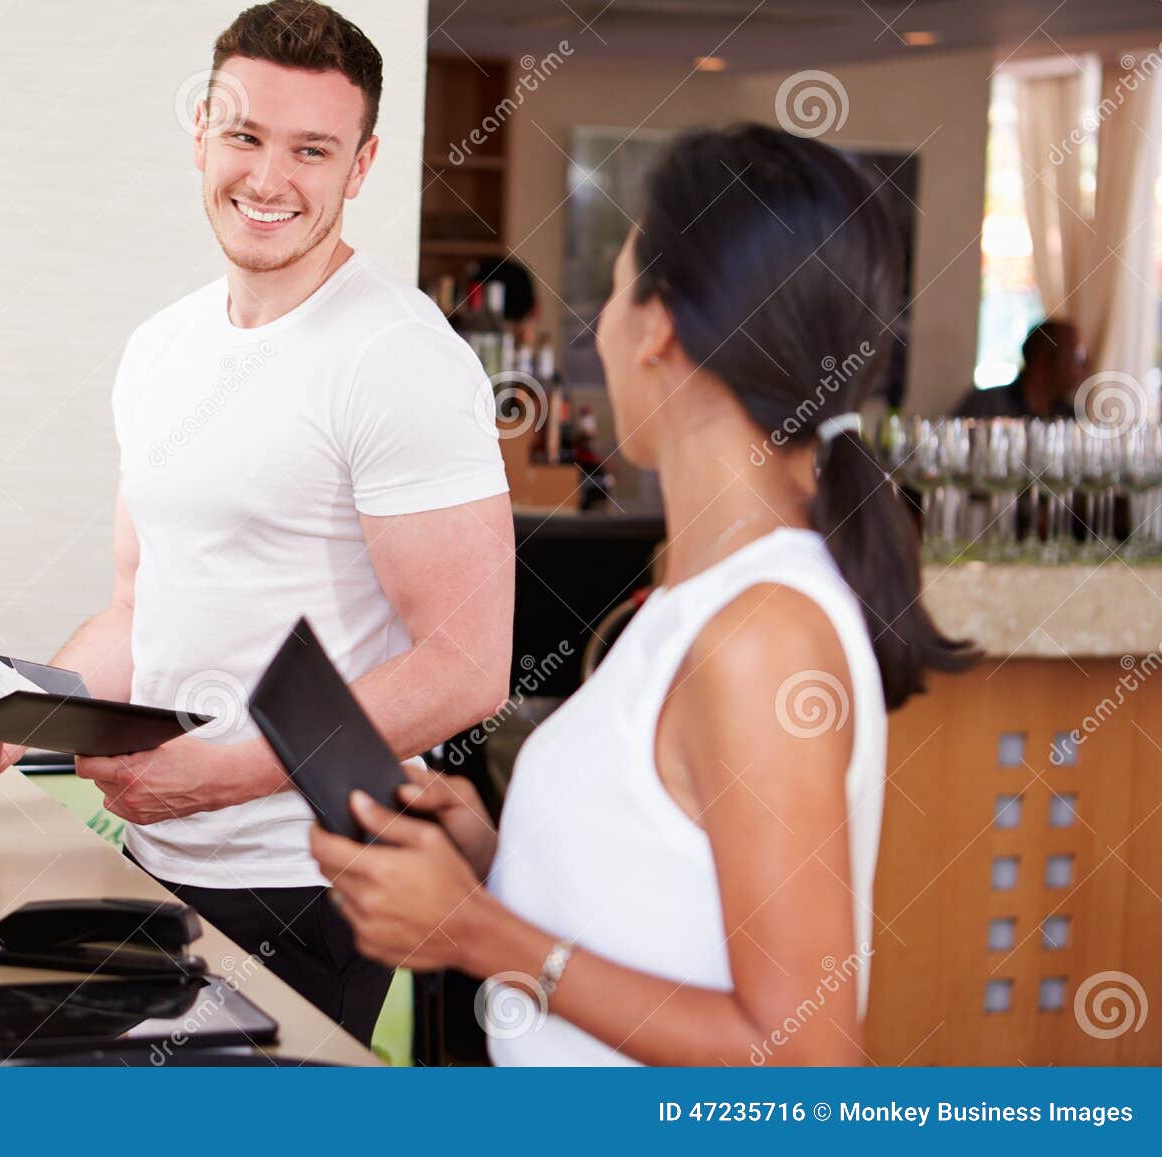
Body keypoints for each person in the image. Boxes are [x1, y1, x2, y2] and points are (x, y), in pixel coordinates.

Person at [0, 1, 515, 1044]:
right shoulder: (161, 348)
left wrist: (219, 775)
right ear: (201, 135)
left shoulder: (397, 359)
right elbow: (142, 608)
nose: (268, 180)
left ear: (360, 165)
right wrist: (23, 710)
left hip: (309, 881)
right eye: (244, 136)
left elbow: (467, 666)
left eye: (311, 149)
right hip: (160, 860)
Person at [312, 124, 977, 1065]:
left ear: (660, 324)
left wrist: (478, 934)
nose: (604, 327)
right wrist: (497, 863)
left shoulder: (762, 637)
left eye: (618, 289)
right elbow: (659, 911)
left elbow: (806, 1061)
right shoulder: (705, 598)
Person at [954, 319, 1084, 419]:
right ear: (1044, 359)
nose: (1085, 364)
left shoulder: (1069, 417)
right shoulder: (986, 405)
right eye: (1076, 356)